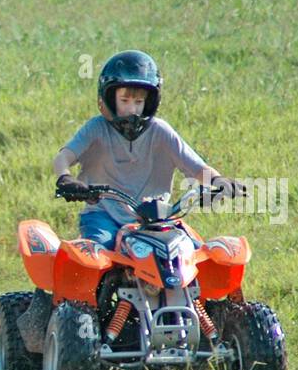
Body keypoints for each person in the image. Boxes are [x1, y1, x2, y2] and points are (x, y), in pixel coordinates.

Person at [51, 49, 241, 251]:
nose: (132, 109)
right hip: (104, 216)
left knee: (193, 253)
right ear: (108, 99)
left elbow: (196, 168)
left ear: (149, 103)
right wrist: (65, 177)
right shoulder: (96, 128)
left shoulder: (161, 131)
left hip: (157, 219)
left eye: (139, 102)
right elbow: (64, 156)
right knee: (97, 252)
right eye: (124, 101)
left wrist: (218, 181)